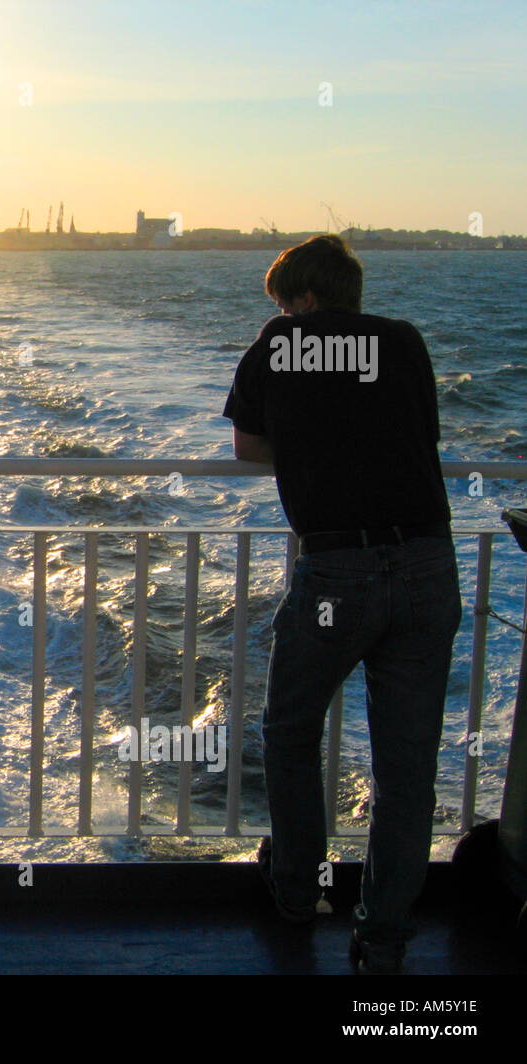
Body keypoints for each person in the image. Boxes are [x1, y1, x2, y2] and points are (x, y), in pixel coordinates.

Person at [222, 234, 461, 974]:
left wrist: (307, 435)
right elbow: (424, 433)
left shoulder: (280, 342)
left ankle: (297, 890)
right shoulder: (405, 341)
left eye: (284, 303)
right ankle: (382, 939)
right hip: (426, 565)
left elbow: (247, 448)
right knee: (407, 767)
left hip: (338, 574)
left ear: (301, 298)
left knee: (291, 732)